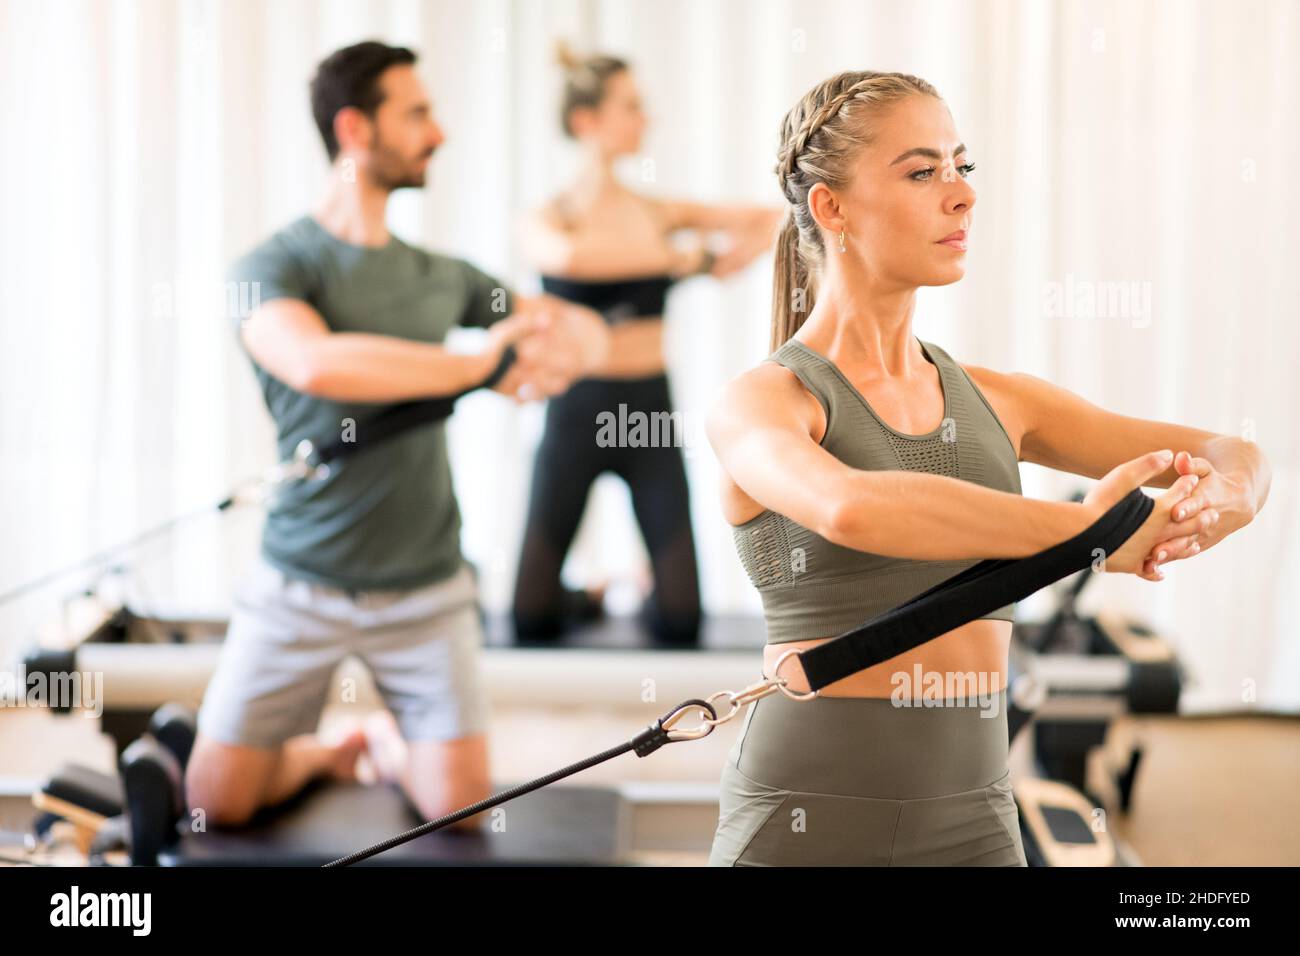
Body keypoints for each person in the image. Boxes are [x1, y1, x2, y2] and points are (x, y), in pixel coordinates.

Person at [705, 70, 1270, 866]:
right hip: (805, 807)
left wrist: (1234, 494)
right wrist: (1098, 533)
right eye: (922, 171)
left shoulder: (1001, 400)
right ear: (832, 208)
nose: (962, 194)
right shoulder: (765, 400)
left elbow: (1231, 449)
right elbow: (851, 508)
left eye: (962, 166)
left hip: (973, 814)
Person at [187, 41, 611, 829]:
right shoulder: (273, 265)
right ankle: (331, 750)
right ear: (355, 129)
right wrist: (477, 364)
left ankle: (385, 739)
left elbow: (572, 326)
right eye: (417, 114)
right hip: (298, 584)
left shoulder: (440, 277)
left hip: (428, 589)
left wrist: (561, 350)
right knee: (214, 804)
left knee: (463, 811)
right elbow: (315, 363)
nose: (439, 133)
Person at [509, 41, 783, 647]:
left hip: (648, 411)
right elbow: (571, 258)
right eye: (631, 107)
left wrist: (714, 258)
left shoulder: (657, 211)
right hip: (575, 412)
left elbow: (770, 218)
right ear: (587, 121)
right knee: (531, 618)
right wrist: (685, 259)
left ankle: (639, 584)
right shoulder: (550, 217)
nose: (645, 120)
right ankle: (592, 595)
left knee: (682, 620)